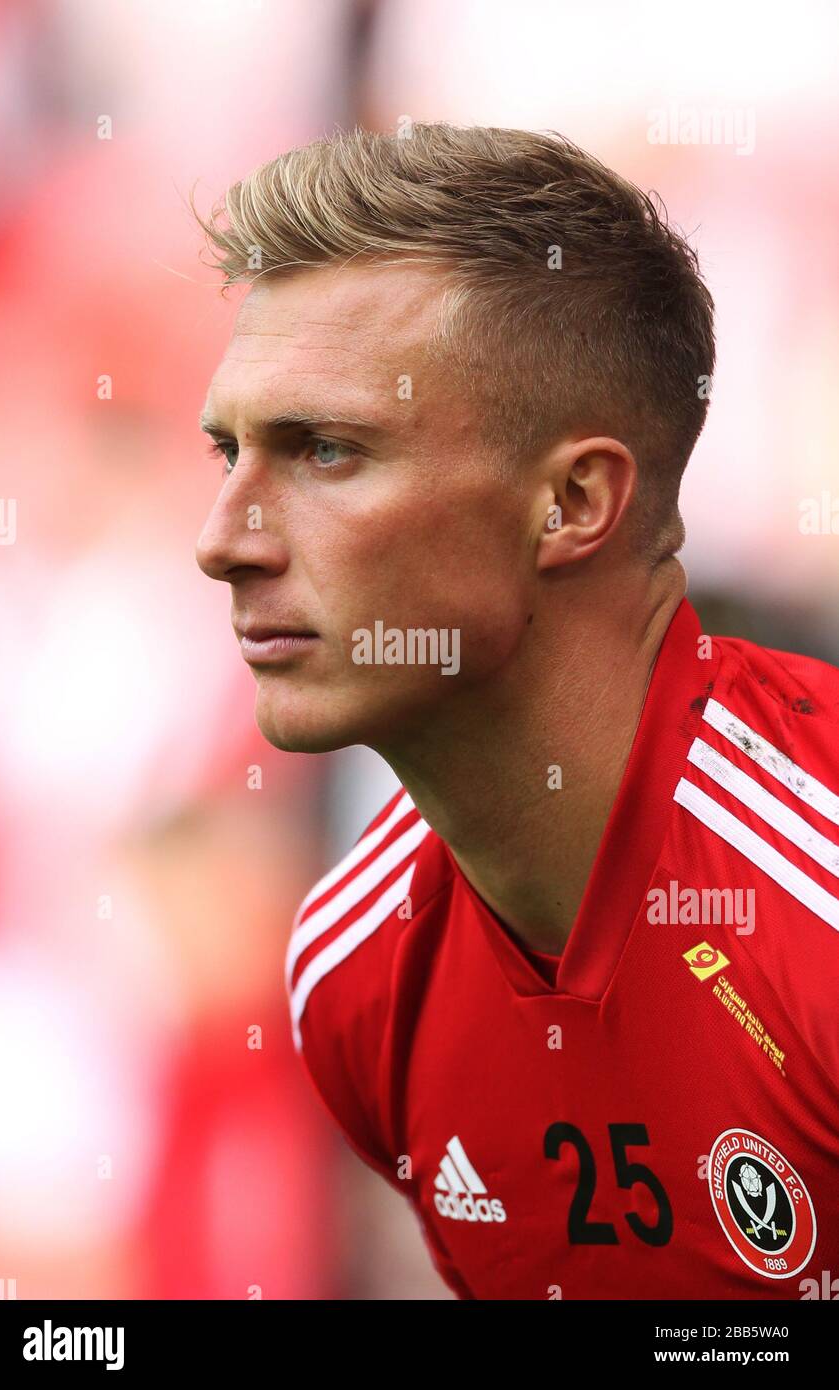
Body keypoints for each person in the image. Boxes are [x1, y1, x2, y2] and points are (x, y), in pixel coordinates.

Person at [195, 123, 839, 1299]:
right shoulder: (356, 973)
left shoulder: (814, 902)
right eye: (225, 452)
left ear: (573, 502)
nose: (222, 540)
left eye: (324, 450)